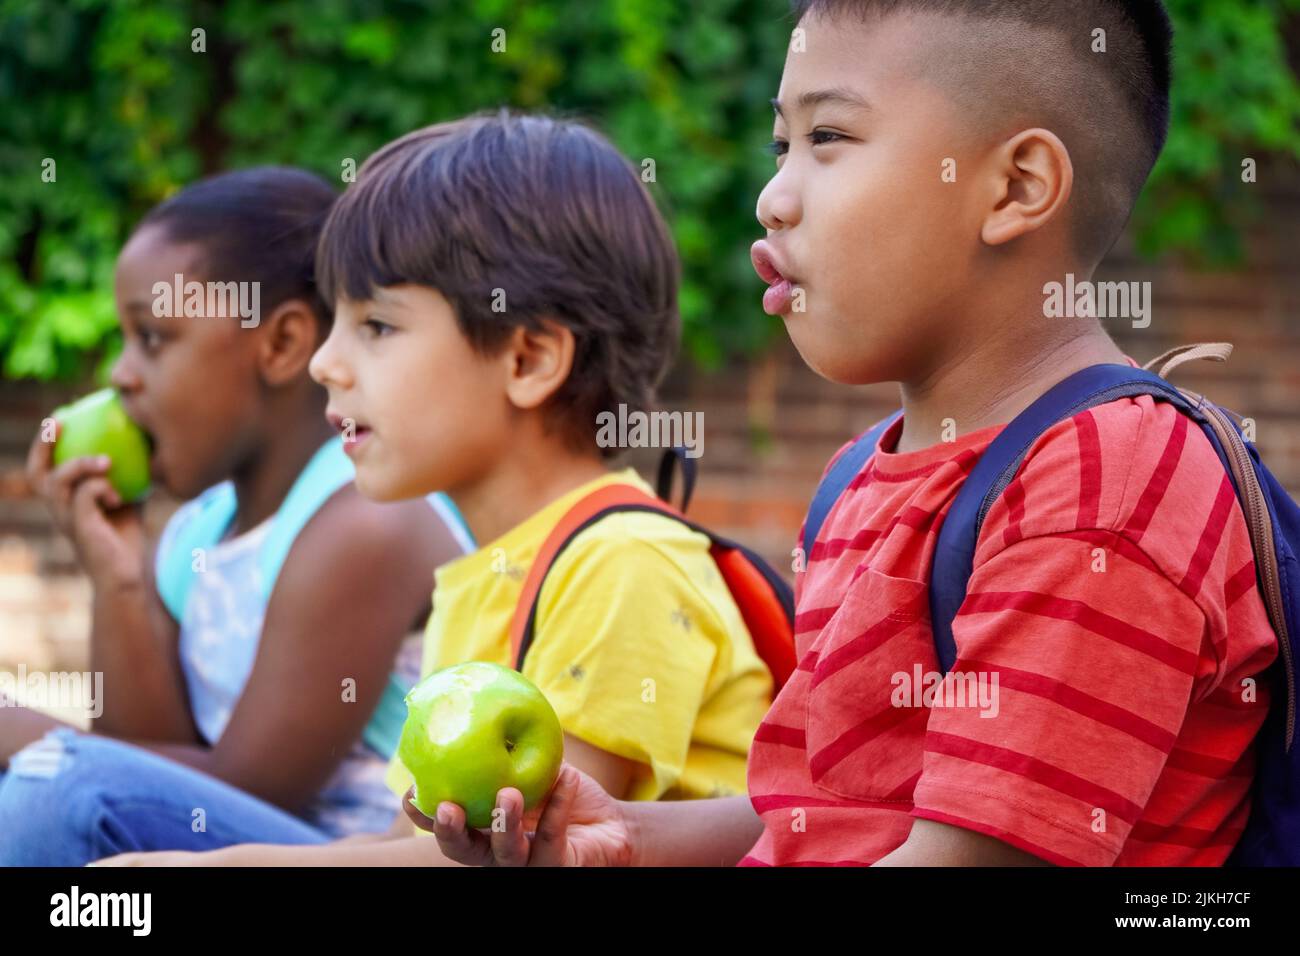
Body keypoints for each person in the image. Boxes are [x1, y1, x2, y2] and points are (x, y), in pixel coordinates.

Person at [413, 0, 1278, 867]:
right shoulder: (860, 474)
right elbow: (820, 812)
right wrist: (624, 836)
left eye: (828, 137)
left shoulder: (1104, 480)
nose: (773, 198)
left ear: (1016, 188)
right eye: (780, 146)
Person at [97, 112, 774, 866]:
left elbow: (541, 840)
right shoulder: (477, 575)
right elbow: (406, 840)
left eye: (377, 326)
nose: (325, 362)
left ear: (528, 360)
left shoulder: (624, 562)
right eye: (336, 322)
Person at [2, 167, 471, 865]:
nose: (121, 374)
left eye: (154, 338)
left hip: (347, 853)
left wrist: (25, 734)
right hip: (228, 847)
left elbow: (251, 788)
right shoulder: (200, 529)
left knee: (58, 788)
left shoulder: (365, 519)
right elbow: (149, 760)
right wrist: (118, 577)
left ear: (280, 345)